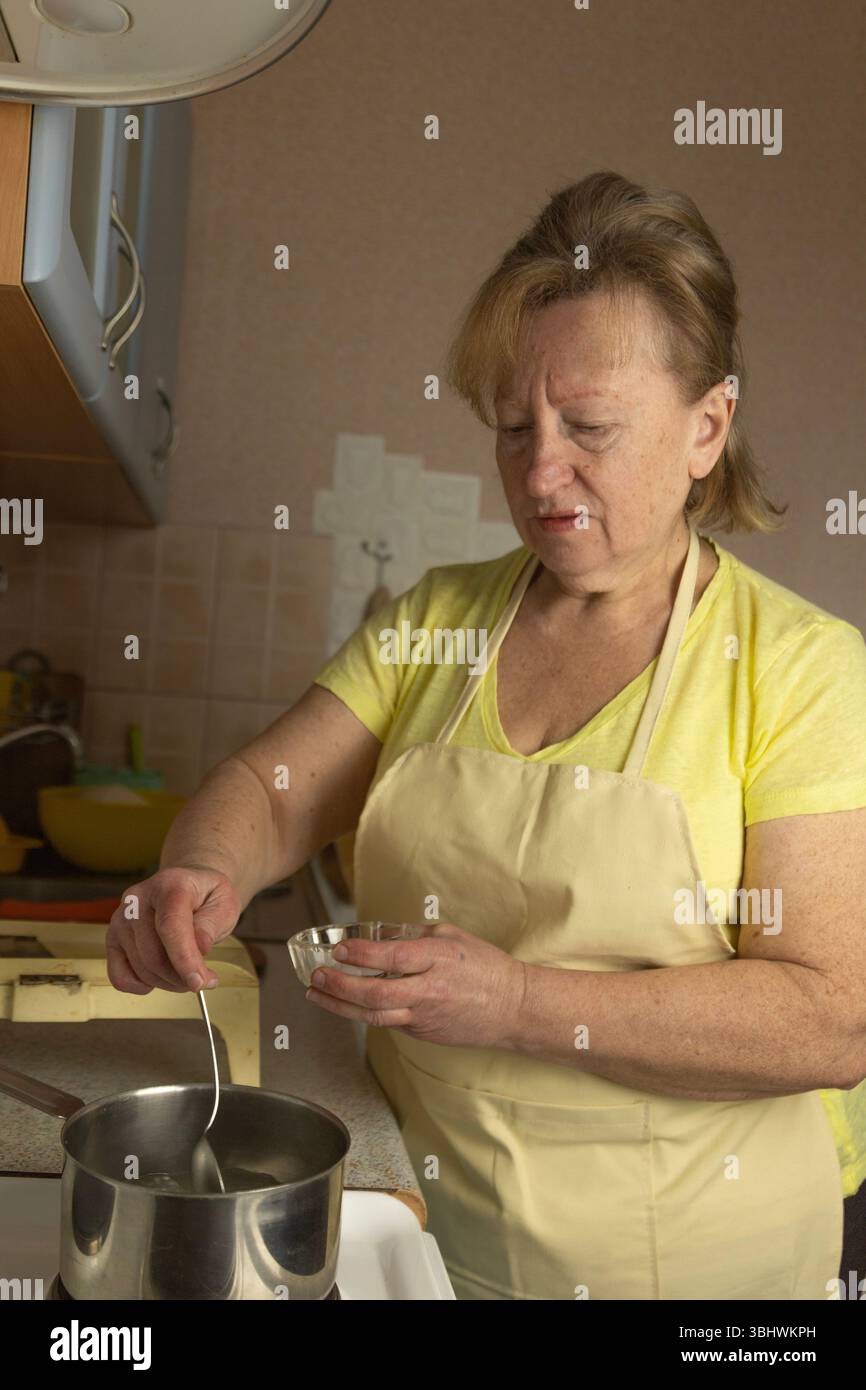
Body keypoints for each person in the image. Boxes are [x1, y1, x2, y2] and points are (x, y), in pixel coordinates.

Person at [109, 171, 866, 1301]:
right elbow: (272, 791)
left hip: (696, 1274)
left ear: (707, 425)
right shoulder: (437, 620)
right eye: (513, 426)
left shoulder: (799, 669)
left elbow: (826, 1014)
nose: (537, 470)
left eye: (587, 428)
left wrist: (517, 1002)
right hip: (412, 1233)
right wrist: (200, 868)